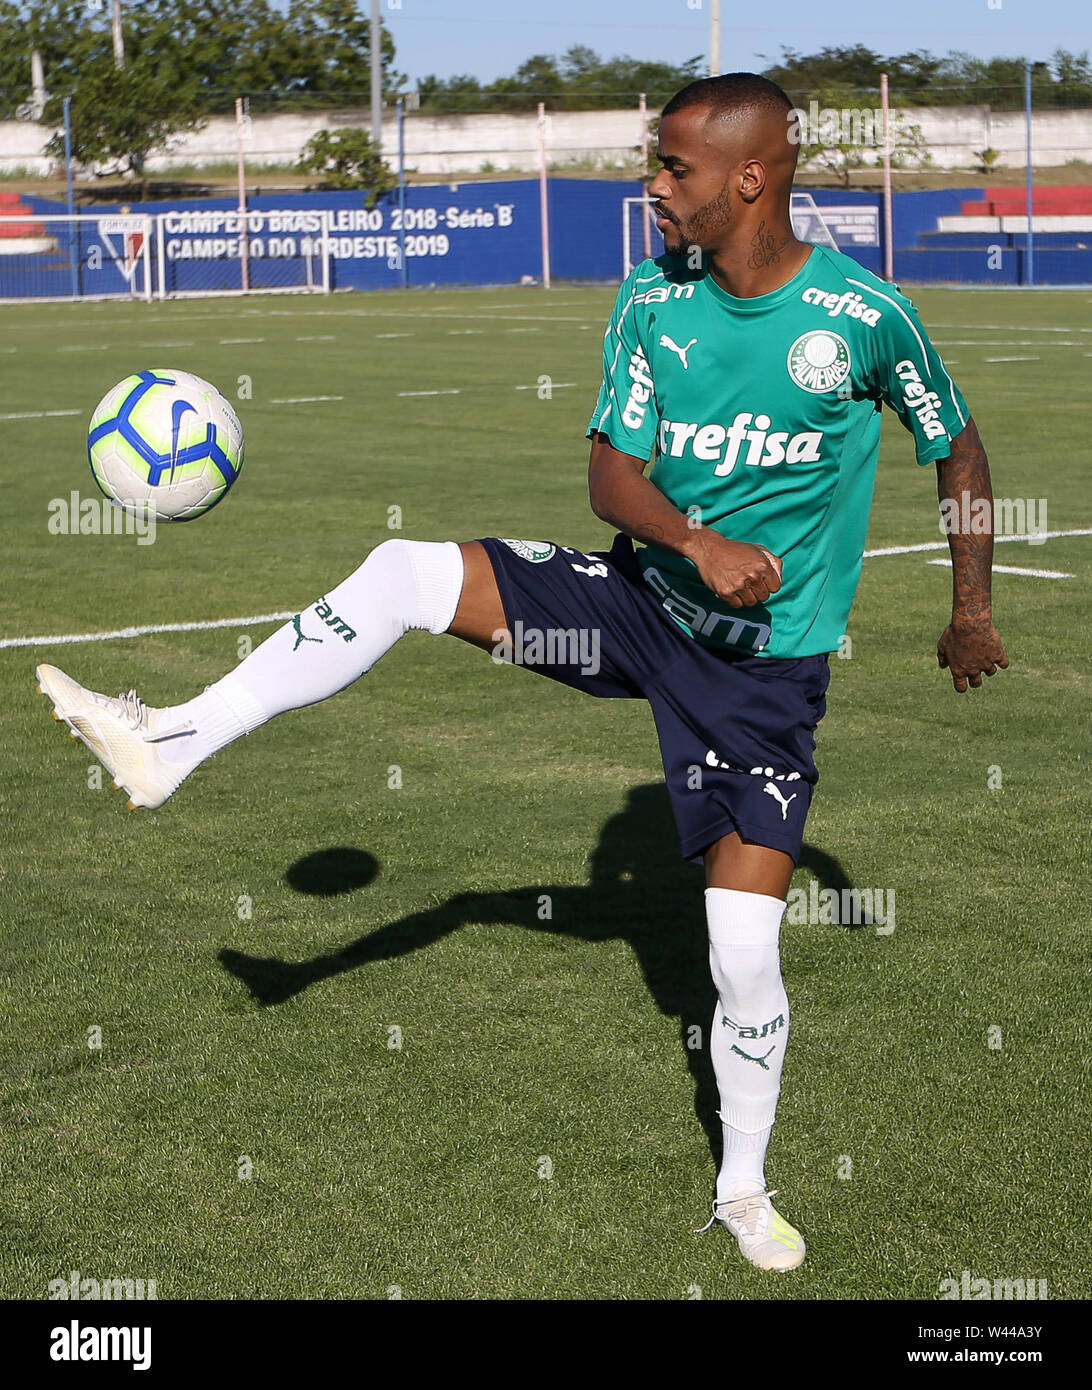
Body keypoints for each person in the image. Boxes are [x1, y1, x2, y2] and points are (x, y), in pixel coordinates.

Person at [36, 73, 1008, 1274]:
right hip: (638, 602)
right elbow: (612, 477)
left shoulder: (864, 315)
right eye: (654, 164)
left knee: (739, 955)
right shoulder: (654, 297)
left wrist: (972, 608)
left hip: (761, 679)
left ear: (751, 178)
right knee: (402, 569)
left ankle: (744, 1190)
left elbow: (955, 442)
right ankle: (172, 741)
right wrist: (694, 542)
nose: (652, 187)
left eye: (675, 169)